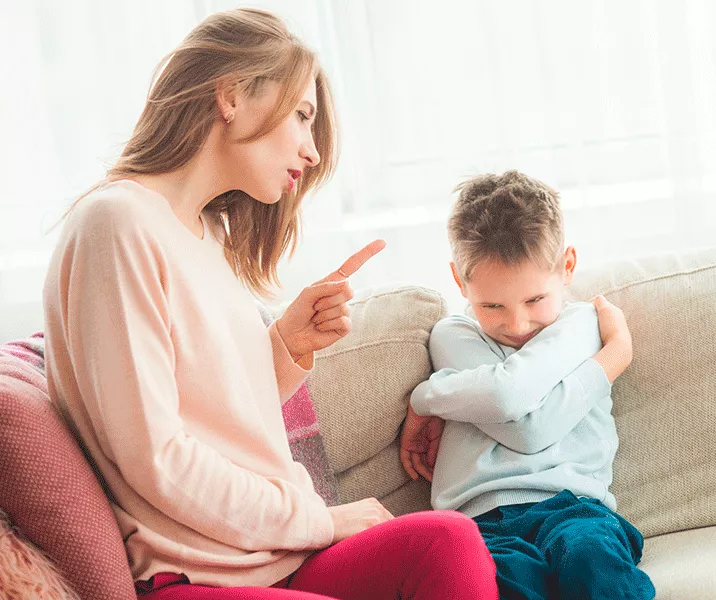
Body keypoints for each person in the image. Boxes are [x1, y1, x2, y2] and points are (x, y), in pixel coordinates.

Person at [43, 9, 498, 600]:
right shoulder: (117, 223)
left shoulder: (206, 235)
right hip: (193, 575)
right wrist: (319, 519)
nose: (310, 152)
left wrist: (283, 347)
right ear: (231, 94)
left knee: (449, 541)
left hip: (271, 560)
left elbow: (212, 414)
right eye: (303, 117)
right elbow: (157, 458)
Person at [399, 171, 655, 600]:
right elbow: (515, 407)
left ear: (567, 266)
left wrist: (427, 397)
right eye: (492, 305)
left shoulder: (582, 324)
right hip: (479, 520)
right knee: (500, 581)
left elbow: (521, 419)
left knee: (593, 560)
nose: (516, 324)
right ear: (460, 281)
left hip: (574, 508)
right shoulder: (453, 335)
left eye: (534, 300)